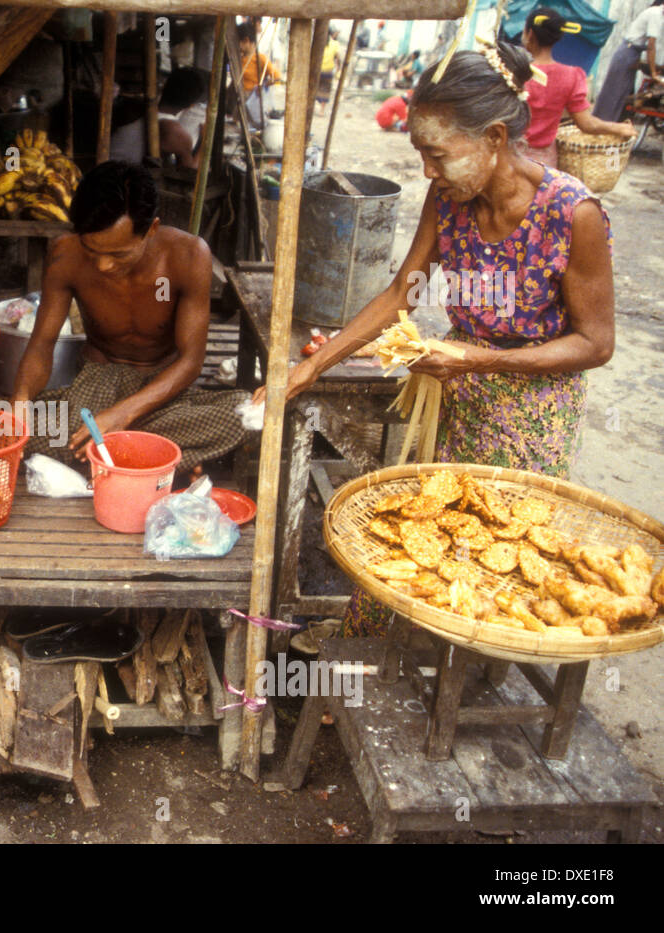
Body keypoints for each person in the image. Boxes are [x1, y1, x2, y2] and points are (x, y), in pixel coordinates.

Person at [256, 41, 616, 637]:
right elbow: (403, 292)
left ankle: (469, 675)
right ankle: (385, 654)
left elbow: (596, 344)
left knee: (497, 559)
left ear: (495, 139)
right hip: (458, 397)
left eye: (438, 154)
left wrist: (478, 358)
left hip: (531, 416)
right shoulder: (449, 199)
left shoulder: (572, 214)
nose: (427, 170)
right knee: (427, 540)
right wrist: (312, 369)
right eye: (420, 153)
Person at [14, 162, 252, 475]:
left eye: (119, 254)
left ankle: (116, 454)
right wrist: (19, 404)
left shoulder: (188, 256)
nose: (103, 266)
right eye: (92, 250)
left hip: (162, 388)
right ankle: (155, 458)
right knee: (18, 426)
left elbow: (191, 362)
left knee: (247, 413)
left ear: (151, 229)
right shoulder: (65, 255)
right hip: (99, 381)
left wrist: (120, 415)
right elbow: (42, 346)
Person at [522, 7, 635, 165]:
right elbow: (587, 124)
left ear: (530, 34)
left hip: (510, 159)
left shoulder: (514, 72)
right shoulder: (571, 76)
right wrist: (619, 128)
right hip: (544, 165)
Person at [591, 0, 664, 121]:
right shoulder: (655, 14)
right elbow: (651, 46)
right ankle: (602, 125)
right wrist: (653, 73)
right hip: (628, 53)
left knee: (624, 94)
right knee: (615, 94)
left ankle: (615, 126)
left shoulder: (656, 13)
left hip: (632, 53)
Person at [238, 21, 281, 131]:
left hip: (253, 99)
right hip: (241, 98)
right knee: (243, 127)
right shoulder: (238, 59)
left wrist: (264, 85)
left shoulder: (260, 59)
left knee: (254, 127)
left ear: (246, 41)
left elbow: (276, 76)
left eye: (239, 42)